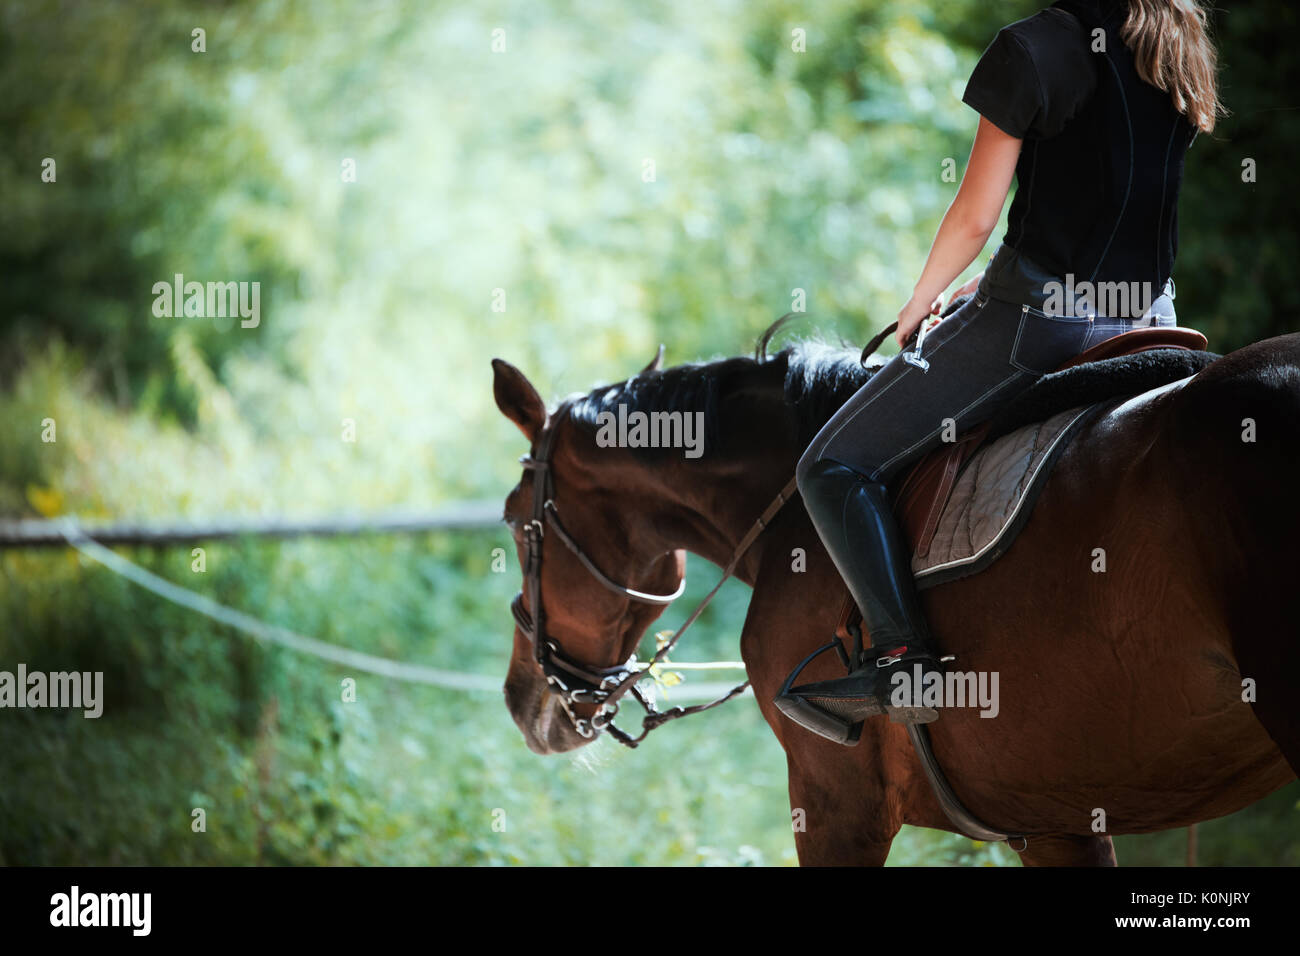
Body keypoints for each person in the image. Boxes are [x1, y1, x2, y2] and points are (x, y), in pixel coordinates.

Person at [776, 0, 1223, 740]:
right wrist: (980, 281)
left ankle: (903, 660)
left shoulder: (1031, 48)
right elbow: (1105, 197)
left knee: (831, 464)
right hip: (1153, 317)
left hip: (1041, 322)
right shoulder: (1175, 36)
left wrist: (920, 302)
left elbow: (978, 215)